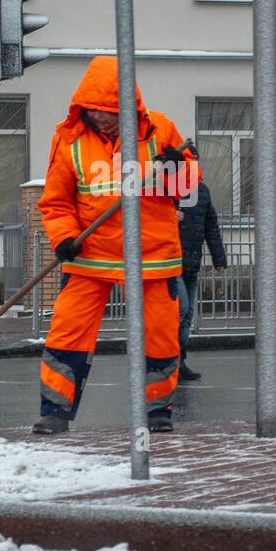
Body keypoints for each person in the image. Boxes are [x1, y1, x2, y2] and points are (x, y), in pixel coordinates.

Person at [34, 56, 199, 436]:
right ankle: (54, 413)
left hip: (153, 257)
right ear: (83, 107)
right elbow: (56, 202)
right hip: (90, 257)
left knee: (159, 336)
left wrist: (178, 167)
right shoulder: (69, 140)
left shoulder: (161, 130)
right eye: (95, 110)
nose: (102, 118)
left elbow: (187, 190)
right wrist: (62, 239)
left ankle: (157, 411)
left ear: (130, 106)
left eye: (110, 111)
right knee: (67, 332)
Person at [175, 158, 227, 382]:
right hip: (170, 263)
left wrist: (219, 259)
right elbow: (149, 216)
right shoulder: (168, 188)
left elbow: (210, 226)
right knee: (181, 310)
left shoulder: (202, 191)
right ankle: (167, 361)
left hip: (192, 263)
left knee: (187, 316)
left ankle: (179, 362)